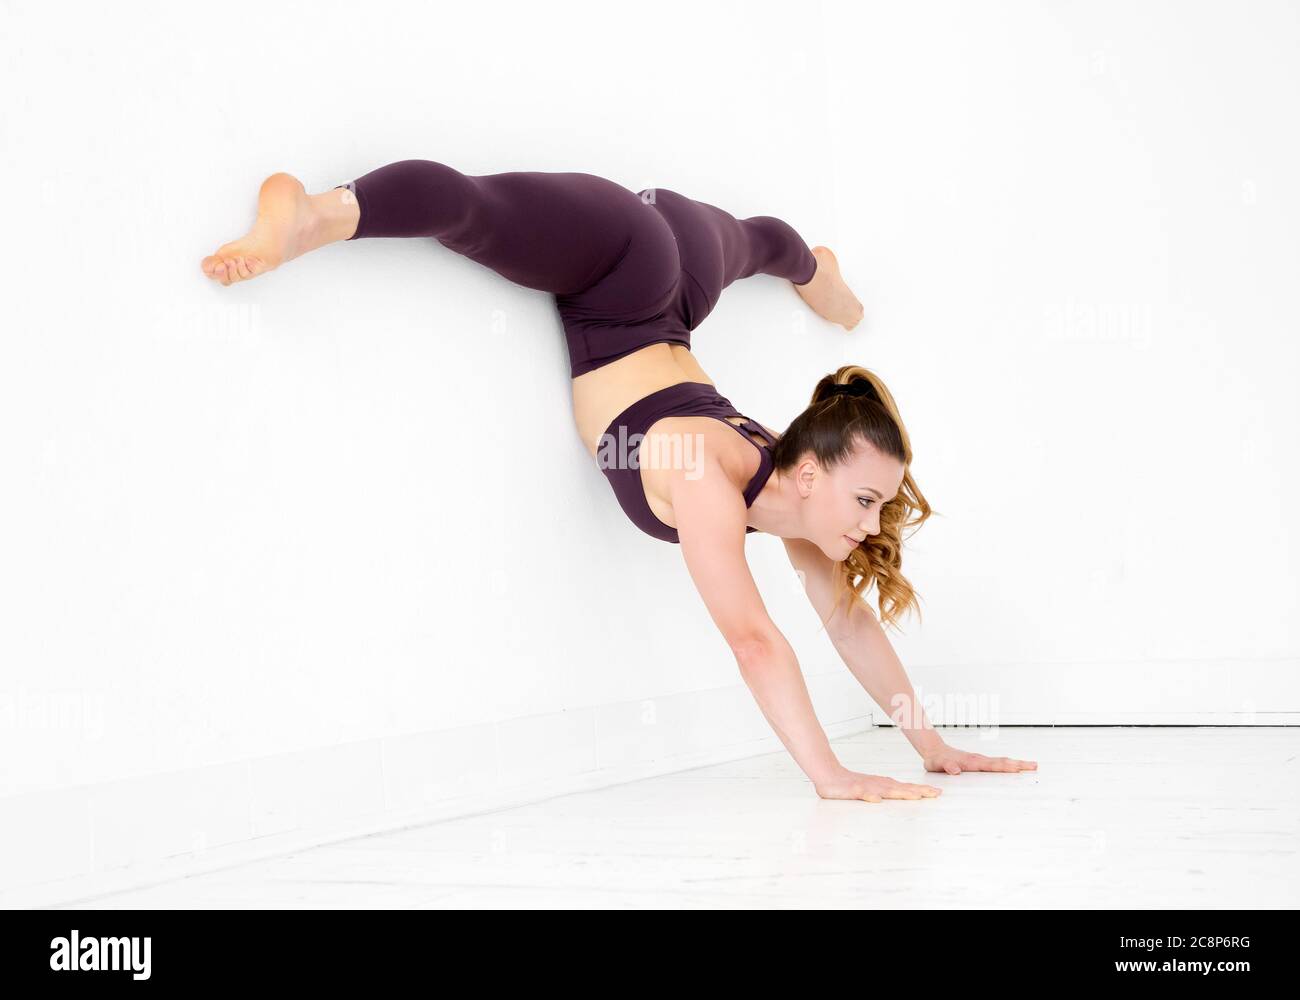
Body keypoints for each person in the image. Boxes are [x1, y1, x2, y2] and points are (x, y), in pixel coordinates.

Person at [201, 159, 1037, 802]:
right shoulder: (707, 474)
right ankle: (308, 213)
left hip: (679, 287)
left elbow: (848, 626)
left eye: (881, 505)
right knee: (470, 209)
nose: (870, 523)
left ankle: (820, 274)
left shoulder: (798, 496)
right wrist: (830, 773)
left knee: (759, 242)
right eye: (867, 501)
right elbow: (753, 639)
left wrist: (929, 743)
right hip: (624, 267)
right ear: (811, 470)